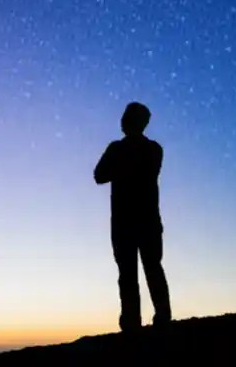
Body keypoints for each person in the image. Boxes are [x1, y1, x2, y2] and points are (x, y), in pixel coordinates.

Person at [94, 101, 172, 331]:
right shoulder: (153, 149)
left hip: (128, 222)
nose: (121, 121)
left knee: (135, 272)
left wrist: (120, 166)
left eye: (125, 117)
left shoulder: (121, 149)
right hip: (143, 221)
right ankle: (151, 318)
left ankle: (134, 322)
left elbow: (100, 175)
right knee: (146, 270)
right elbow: (99, 176)